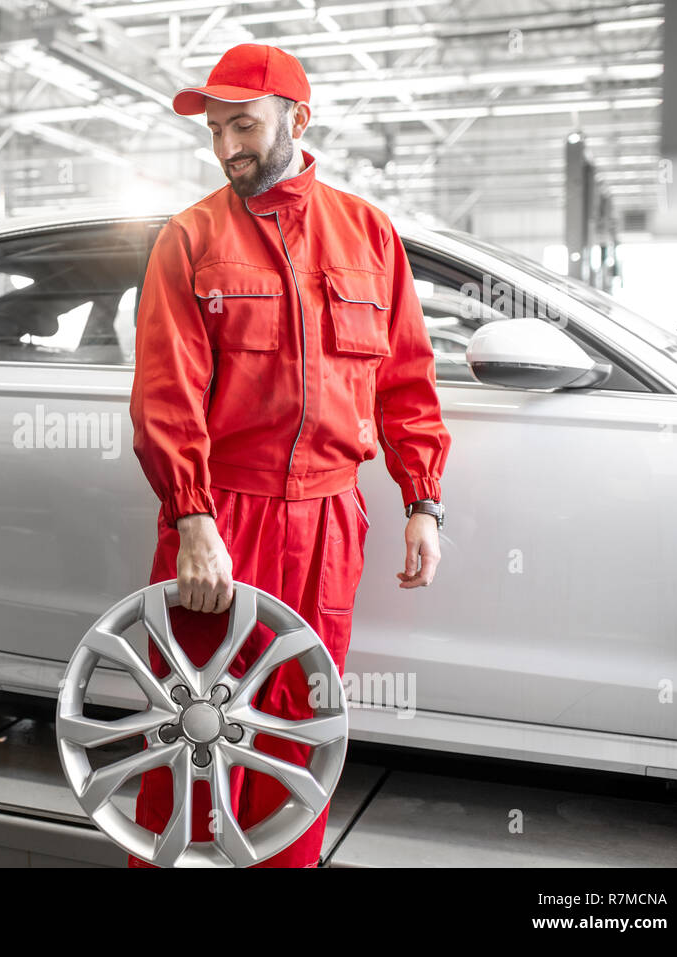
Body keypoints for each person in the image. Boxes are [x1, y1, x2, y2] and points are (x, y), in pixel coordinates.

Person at [129, 43, 451, 868]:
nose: (227, 146)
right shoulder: (190, 237)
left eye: (243, 125)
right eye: (215, 131)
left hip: (330, 520)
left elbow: (406, 378)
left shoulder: (370, 235)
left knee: (299, 726)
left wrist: (421, 498)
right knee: (196, 720)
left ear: (298, 120)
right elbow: (167, 395)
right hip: (221, 518)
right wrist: (193, 516)